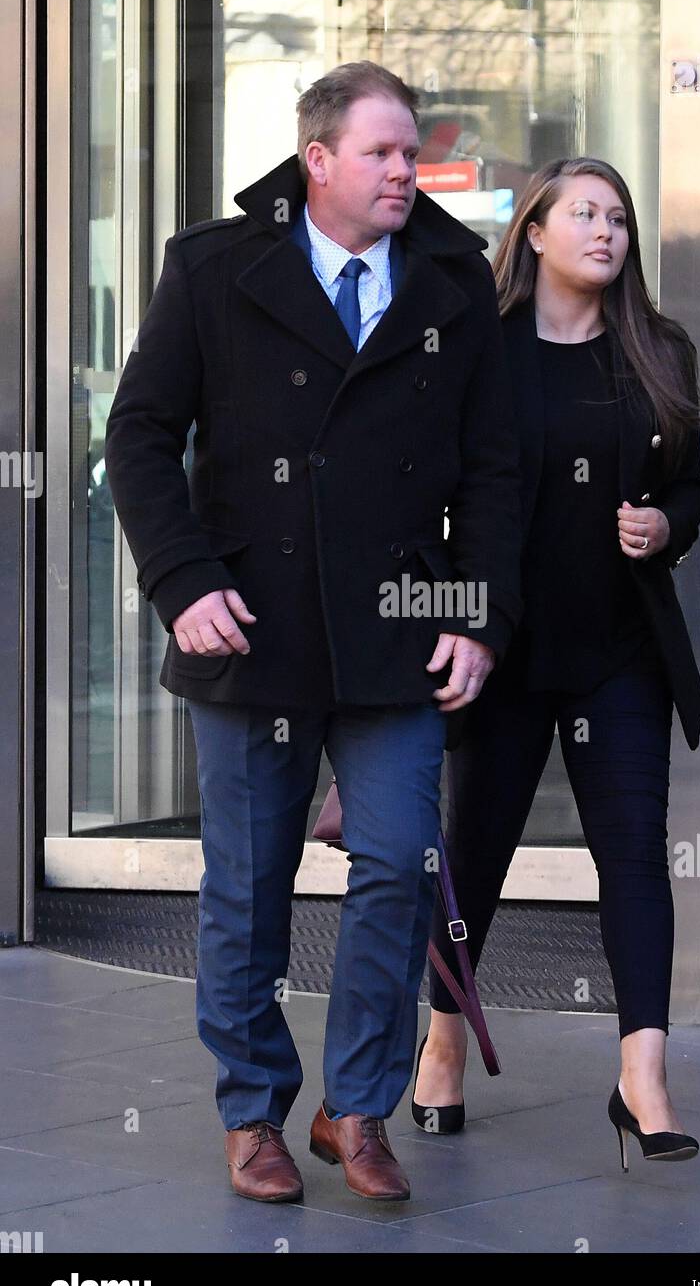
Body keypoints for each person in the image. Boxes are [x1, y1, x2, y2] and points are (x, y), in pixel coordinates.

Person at [104, 61, 522, 1203]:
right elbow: (138, 435)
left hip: (399, 629)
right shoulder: (212, 265)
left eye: (411, 151)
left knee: (397, 858)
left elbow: (492, 470)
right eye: (382, 152)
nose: (405, 170)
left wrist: (471, 612)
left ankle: (356, 1107)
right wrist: (182, 578)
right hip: (250, 628)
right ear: (317, 160)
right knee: (248, 885)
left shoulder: (449, 277)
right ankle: (253, 1113)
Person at [413, 157, 700, 1170]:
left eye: (617, 217)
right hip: (504, 650)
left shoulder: (655, 350)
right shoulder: (477, 353)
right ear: (532, 231)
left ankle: (642, 1078)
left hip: (616, 652)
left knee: (632, 854)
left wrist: (660, 521)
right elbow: (430, 502)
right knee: (475, 857)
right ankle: (442, 1042)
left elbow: (689, 488)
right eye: (581, 213)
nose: (604, 231)